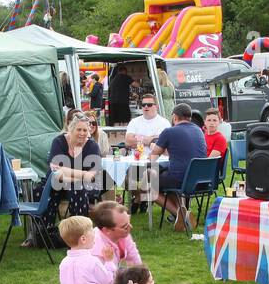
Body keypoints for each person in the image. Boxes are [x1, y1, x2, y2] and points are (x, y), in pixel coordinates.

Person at [150, 103, 207, 231]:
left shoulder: (169, 131)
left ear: (175, 117)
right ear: (190, 118)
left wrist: (153, 146)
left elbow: (153, 156)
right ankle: (182, 214)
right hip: (201, 179)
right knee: (167, 178)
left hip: (181, 178)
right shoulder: (198, 130)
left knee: (149, 185)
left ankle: (180, 215)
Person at [46, 110, 102, 218]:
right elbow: (56, 172)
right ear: (71, 129)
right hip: (61, 182)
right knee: (41, 188)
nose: (82, 133)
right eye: (79, 129)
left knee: (77, 188)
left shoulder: (92, 146)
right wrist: (82, 174)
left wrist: (66, 172)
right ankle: (45, 231)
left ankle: (80, 229)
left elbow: (90, 176)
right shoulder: (58, 142)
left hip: (86, 185)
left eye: (85, 130)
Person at [88, 200, 142, 273]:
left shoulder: (123, 234)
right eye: (125, 226)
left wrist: (143, 278)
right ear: (107, 230)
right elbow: (107, 281)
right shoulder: (96, 251)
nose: (130, 227)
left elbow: (134, 258)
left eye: (129, 221)